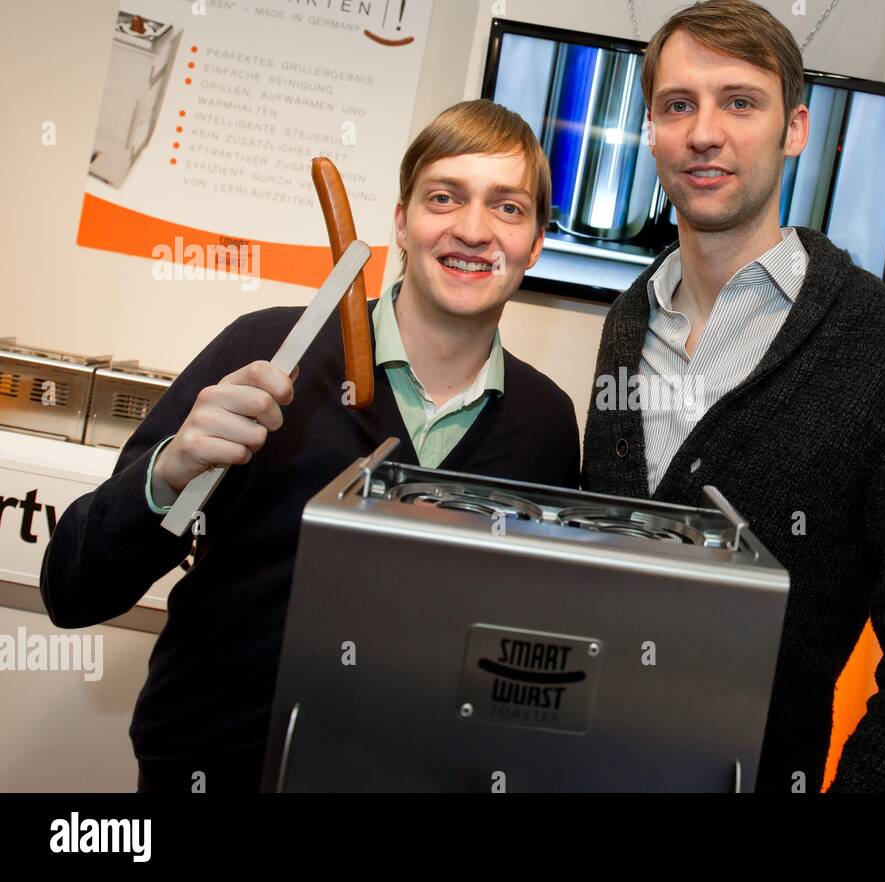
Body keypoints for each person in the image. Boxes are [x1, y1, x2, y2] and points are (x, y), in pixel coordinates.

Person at [40, 99, 579, 792]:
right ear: (402, 223)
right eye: (444, 197)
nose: (473, 230)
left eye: (508, 207)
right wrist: (169, 474)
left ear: (535, 243)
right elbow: (73, 589)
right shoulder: (266, 351)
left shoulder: (546, 424)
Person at [580, 0, 885, 792]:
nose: (704, 132)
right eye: (678, 105)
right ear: (651, 132)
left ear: (796, 130)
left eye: (740, 102)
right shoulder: (628, 321)